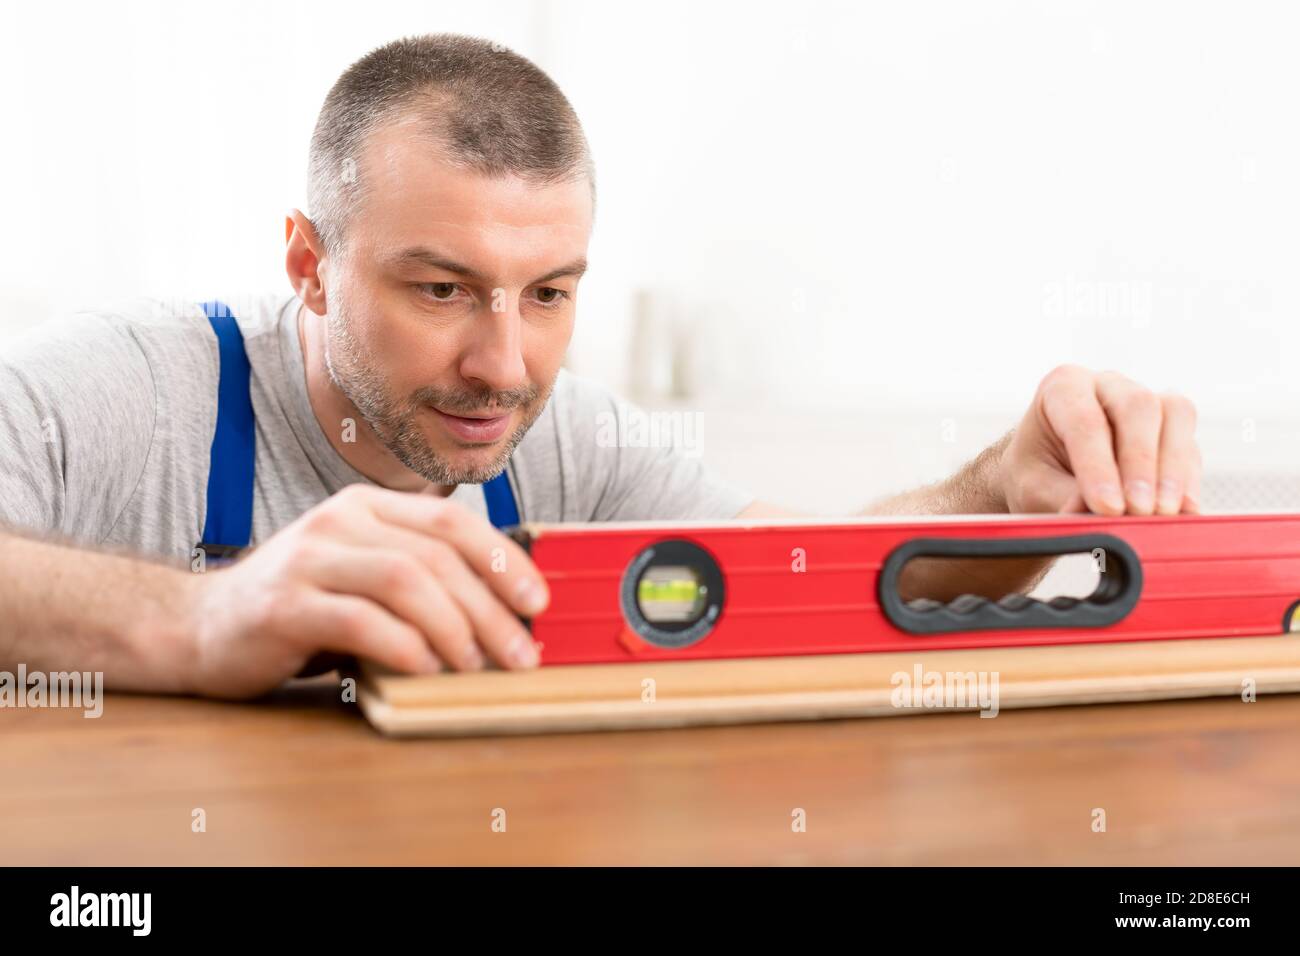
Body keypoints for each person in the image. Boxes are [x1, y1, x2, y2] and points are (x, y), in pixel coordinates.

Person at [0, 34, 1200, 699]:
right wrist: (208, 615)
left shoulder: (570, 444)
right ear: (309, 264)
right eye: (441, 289)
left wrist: (997, 494)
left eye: (550, 294)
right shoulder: (128, 389)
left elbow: (810, 575)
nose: (506, 366)